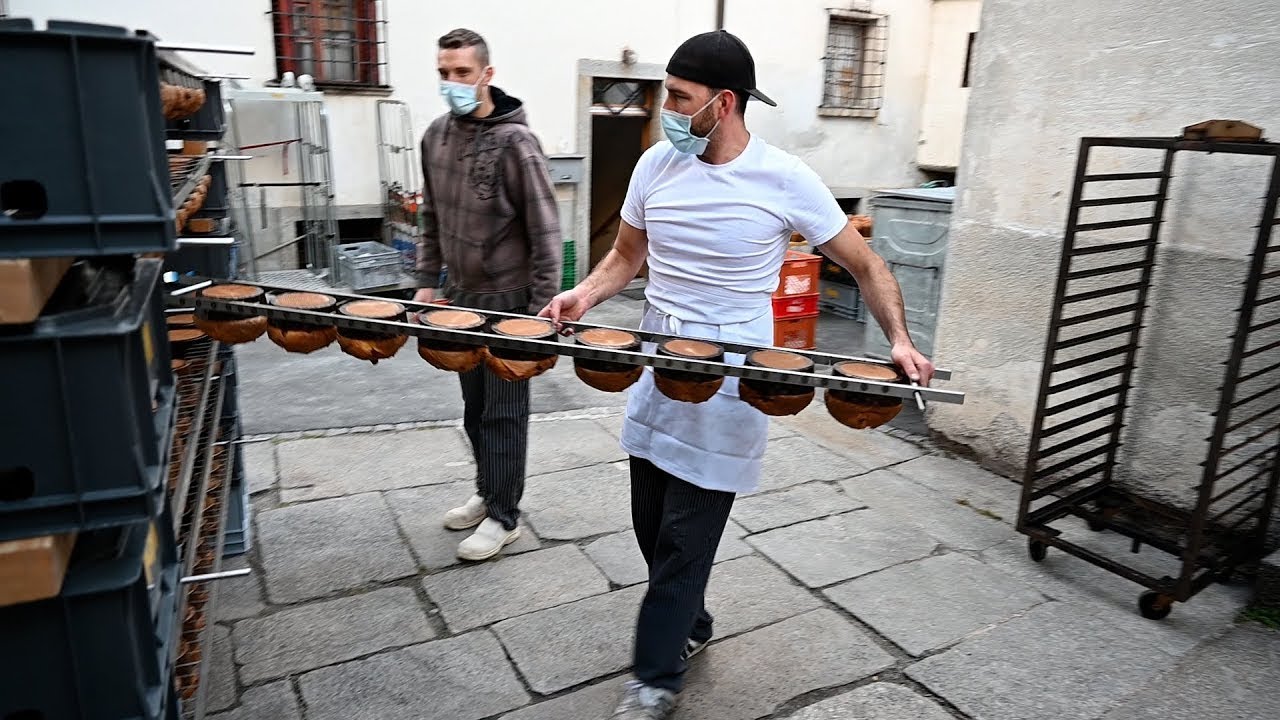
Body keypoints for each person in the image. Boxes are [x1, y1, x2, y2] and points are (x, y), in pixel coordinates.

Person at [540, 30, 935, 719]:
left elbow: (865, 264)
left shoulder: (784, 179)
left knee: (686, 538)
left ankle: (654, 680)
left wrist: (900, 339)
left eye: (679, 98)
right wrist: (585, 295)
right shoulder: (656, 166)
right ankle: (691, 623)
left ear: (722, 104)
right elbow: (625, 255)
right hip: (659, 366)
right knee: (650, 524)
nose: (666, 108)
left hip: (732, 375)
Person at [414, 28, 562, 562]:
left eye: (462, 72)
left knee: (504, 411)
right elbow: (430, 215)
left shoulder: (517, 144)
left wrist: (544, 316)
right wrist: (428, 282)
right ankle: (487, 490)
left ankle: (505, 517)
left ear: (487, 75)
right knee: (474, 409)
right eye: (444, 73)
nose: (452, 82)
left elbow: (546, 232)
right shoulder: (435, 136)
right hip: (459, 298)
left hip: (510, 302)